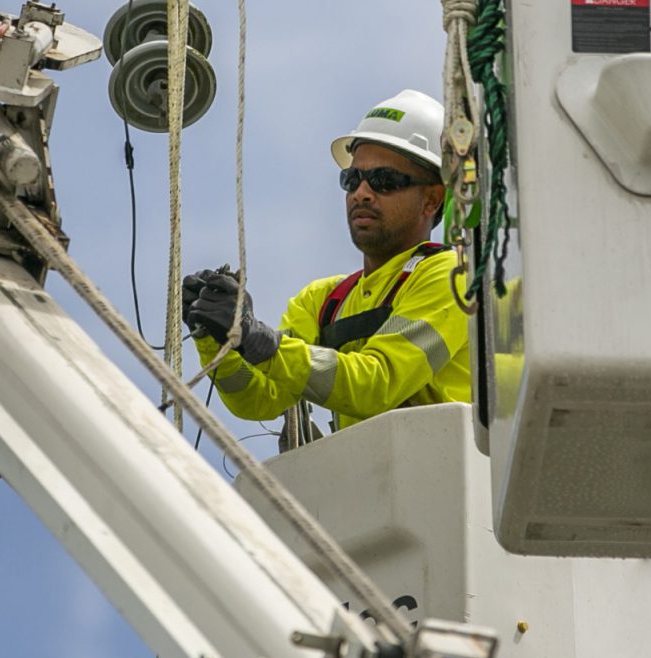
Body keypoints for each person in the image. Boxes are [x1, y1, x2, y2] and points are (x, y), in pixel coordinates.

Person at [181, 91, 469, 430]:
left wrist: (264, 342)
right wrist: (219, 339)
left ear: (432, 200)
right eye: (352, 180)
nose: (362, 193)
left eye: (384, 181)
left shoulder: (451, 276)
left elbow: (378, 383)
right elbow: (262, 398)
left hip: (446, 476)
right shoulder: (324, 301)